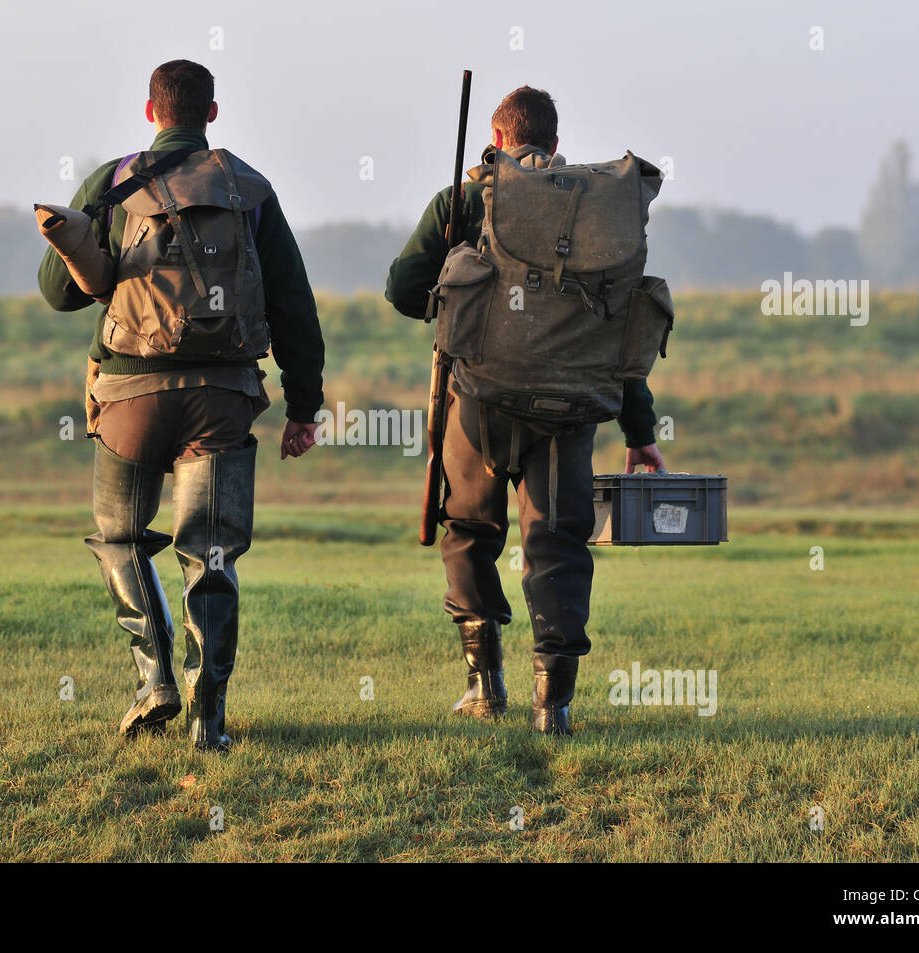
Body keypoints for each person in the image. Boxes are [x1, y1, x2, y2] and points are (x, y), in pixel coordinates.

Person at [38, 59, 325, 752]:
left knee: (120, 538)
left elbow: (58, 291)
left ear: (149, 111)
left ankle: (154, 679)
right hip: (222, 399)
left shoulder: (112, 184)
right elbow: (293, 304)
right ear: (212, 115)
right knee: (212, 555)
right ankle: (209, 719)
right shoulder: (249, 189)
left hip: (129, 395)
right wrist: (303, 404)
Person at [385, 86, 665, 736]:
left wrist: (455, 294)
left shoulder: (465, 198)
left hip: (479, 403)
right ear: (555, 143)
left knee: (469, 533)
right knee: (559, 544)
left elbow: (402, 289)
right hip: (569, 412)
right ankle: (554, 705)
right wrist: (640, 430)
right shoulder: (596, 215)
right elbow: (620, 330)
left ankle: (485, 687)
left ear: (498, 138)